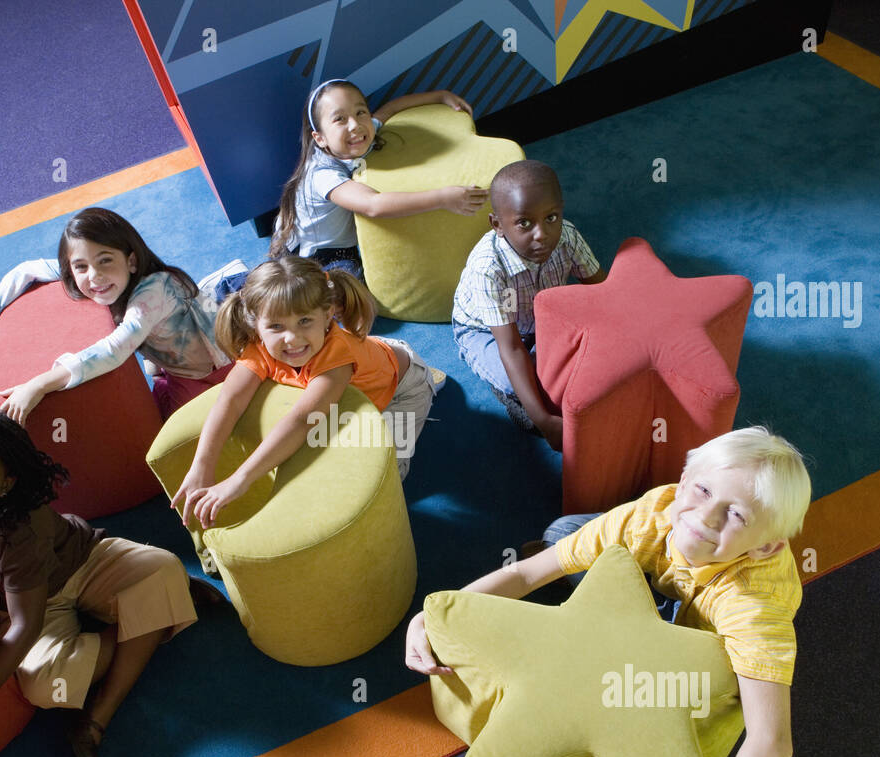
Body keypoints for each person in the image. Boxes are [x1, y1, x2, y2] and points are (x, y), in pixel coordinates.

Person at [405, 426, 811, 757]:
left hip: (710, 627)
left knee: (710, 671)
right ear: (685, 474)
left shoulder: (754, 608)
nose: (705, 518)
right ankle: (657, 586)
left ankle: (669, 619)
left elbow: (771, 744)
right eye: (702, 489)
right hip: (656, 566)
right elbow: (527, 573)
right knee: (562, 532)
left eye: (737, 516)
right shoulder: (654, 515)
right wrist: (439, 616)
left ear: (767, 546)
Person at [0, 403, 216, 757]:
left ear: (7, 484)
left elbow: (25, 626)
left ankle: (96, 718)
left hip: (80, 563)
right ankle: (157, 612)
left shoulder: (18, 532)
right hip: (29, 602)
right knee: (46, 684)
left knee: (162, 568)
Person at [172, 256, 437, 529]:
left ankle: (429, 378)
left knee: (385, 472)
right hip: (365, 363)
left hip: (402, 389)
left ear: (328, 314)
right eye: (276, 326)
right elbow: (230, 400)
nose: (292, 338)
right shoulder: (260, 348)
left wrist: (239, 480)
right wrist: (201, 467)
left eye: (304, 321)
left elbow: (303, 420)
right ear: (256, 325)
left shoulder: (338, 357)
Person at [0, 206, 236, 421]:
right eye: (81, 267)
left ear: (132, 260)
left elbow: (114, 350)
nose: (94, 276)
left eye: (105, 261)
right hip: (177, 365)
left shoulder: (154, 290)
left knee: (183, 430)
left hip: (216, 369)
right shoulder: (91, 275)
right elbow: (26, 270)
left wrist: (38, 385)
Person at [451, 159, 606, 449]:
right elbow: (509, 347)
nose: (542, 234)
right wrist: (544, 421)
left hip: (543, 320)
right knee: (521, 382)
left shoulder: (568, 237)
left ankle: (534, 384)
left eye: (552, 217)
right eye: (524, 223)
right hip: (485, 332)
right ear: (497, 224)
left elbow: (604, 294)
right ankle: (516, 401)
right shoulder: (487, 268)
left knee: (579, 364)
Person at [266, 79, 488, 279]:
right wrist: (443, 198)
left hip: (335, 244)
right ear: (320, 138)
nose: (355, 124)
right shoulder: (322, 175)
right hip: (316, 255)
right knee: (348, 300)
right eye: (340, 119)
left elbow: (391, 108)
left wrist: (441, 95)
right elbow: (373, 204)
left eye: (360, 112)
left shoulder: (362, 132)